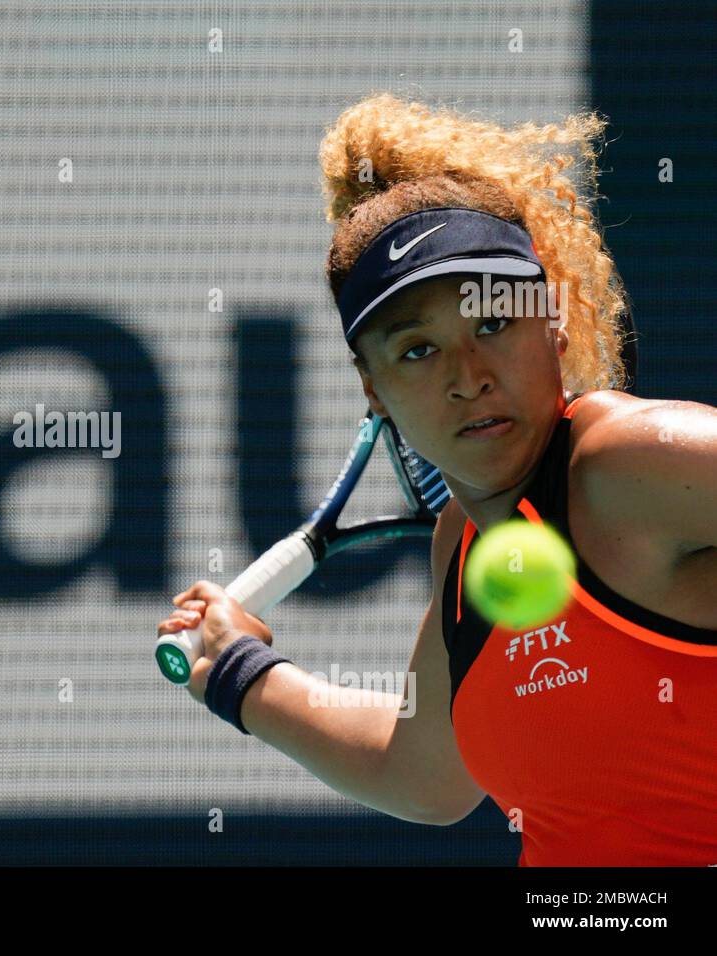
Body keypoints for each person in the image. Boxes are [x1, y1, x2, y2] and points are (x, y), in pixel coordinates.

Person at [158, 93, 717, 865]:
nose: (469, 376)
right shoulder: (464, 548)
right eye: (418, 350)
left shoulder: (629, 465)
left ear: (551, 323)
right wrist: (239, 672)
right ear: (373, 390)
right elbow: (423, 774)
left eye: (493, 324)